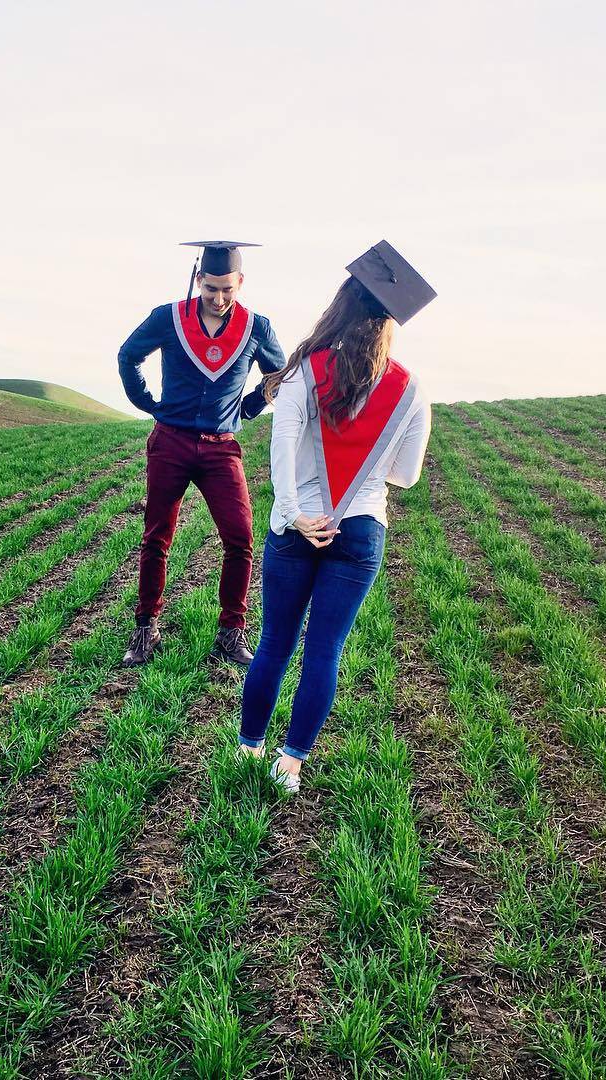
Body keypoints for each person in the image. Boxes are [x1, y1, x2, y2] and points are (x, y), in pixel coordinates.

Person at [239, 241, 436, 793]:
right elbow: (406, 476)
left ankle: (248, 750)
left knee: (275, 640)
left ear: (340, 306)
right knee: (324, 649)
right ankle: (291, 763)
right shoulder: (412, 389)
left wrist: (297, 513)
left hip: (297, 525)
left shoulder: (303, 371)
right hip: (360, 529)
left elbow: (280, 451)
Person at [118, 241, 286, 667]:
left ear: (240, 283)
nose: (219, 297)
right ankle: (146, 630)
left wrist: (248, 408)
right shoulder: (168, 317)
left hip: (220, 449)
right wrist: (147, 403)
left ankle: (231, 634)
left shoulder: (256, 327)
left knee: (241, 539)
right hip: (170, 442)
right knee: (157, 537)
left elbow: (279, 375)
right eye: (211, 288)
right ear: (199, 280)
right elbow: (128, 355)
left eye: (228, 289)